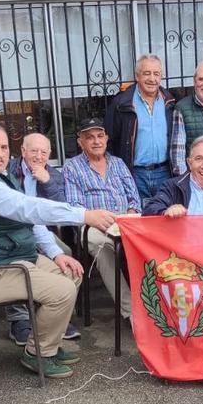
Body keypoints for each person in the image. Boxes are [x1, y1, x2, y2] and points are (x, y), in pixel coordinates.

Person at [0, 123, 118, 379]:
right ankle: (38, 354)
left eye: (4, 147)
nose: (0, 154)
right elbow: (27, 208)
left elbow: (30, 220)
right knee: (62, 290)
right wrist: (84, 214)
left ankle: (47, 344)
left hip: (7, 259)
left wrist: (57, 254)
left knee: (71, 273)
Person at [3, 132, 81, 345]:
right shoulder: (7, 171)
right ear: (23, 151)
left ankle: (57, 316)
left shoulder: (53, 175)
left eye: (44, 152)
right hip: (13, 230)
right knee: (18, 257)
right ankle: (19, 319)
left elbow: (63, 210)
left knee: (65, 254)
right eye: (34, 151)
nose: (38, 156)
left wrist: (46, 183)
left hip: (41, 232)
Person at [61, 118, 142, 320]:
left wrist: (131, 212)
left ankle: (153, 304)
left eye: (99, 136)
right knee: (104, 249)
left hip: (124, 223)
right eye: (89, 138)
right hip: (91, 226)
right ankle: (131, 312)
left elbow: (134, 198)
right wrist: (98, 219)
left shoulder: (118, 163)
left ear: (106, 138)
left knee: (149, 247)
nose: (96, 141)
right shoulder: (72, 167)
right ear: (80, 142)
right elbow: (74, 207)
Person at [104, 54, 176, 200]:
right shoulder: (121, 103)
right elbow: (109, 141)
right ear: (137, 76)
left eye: (156, 74)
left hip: (165, 172)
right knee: (138, 217)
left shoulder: (170, 101)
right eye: (146, 73)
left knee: (165, 215)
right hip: (134, 174)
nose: (152, 79)